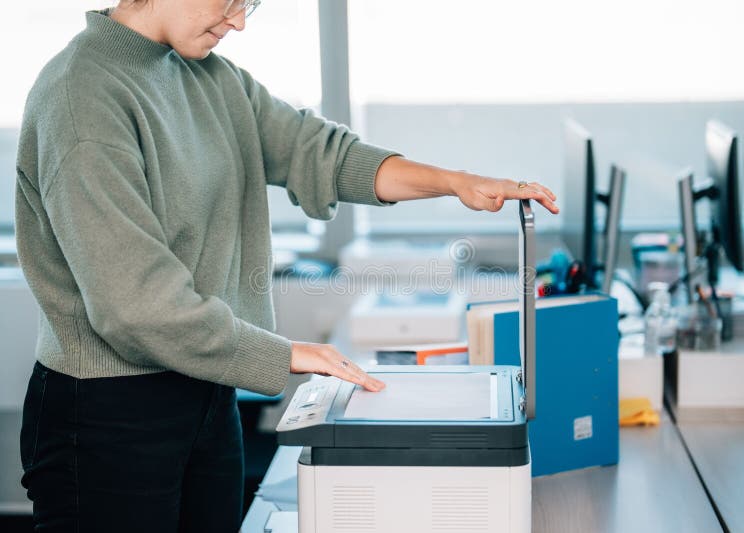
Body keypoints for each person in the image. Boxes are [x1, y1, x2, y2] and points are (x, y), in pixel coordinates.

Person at [14, 1, 559, 531]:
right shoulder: (81, 99)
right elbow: (136, 305)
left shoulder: (208, 76)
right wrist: (289, 354)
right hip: (108, 412)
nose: (239, 21)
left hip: (206, 385)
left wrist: (456, 183)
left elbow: (320, 153)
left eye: (249, 3)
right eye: (230, 0)